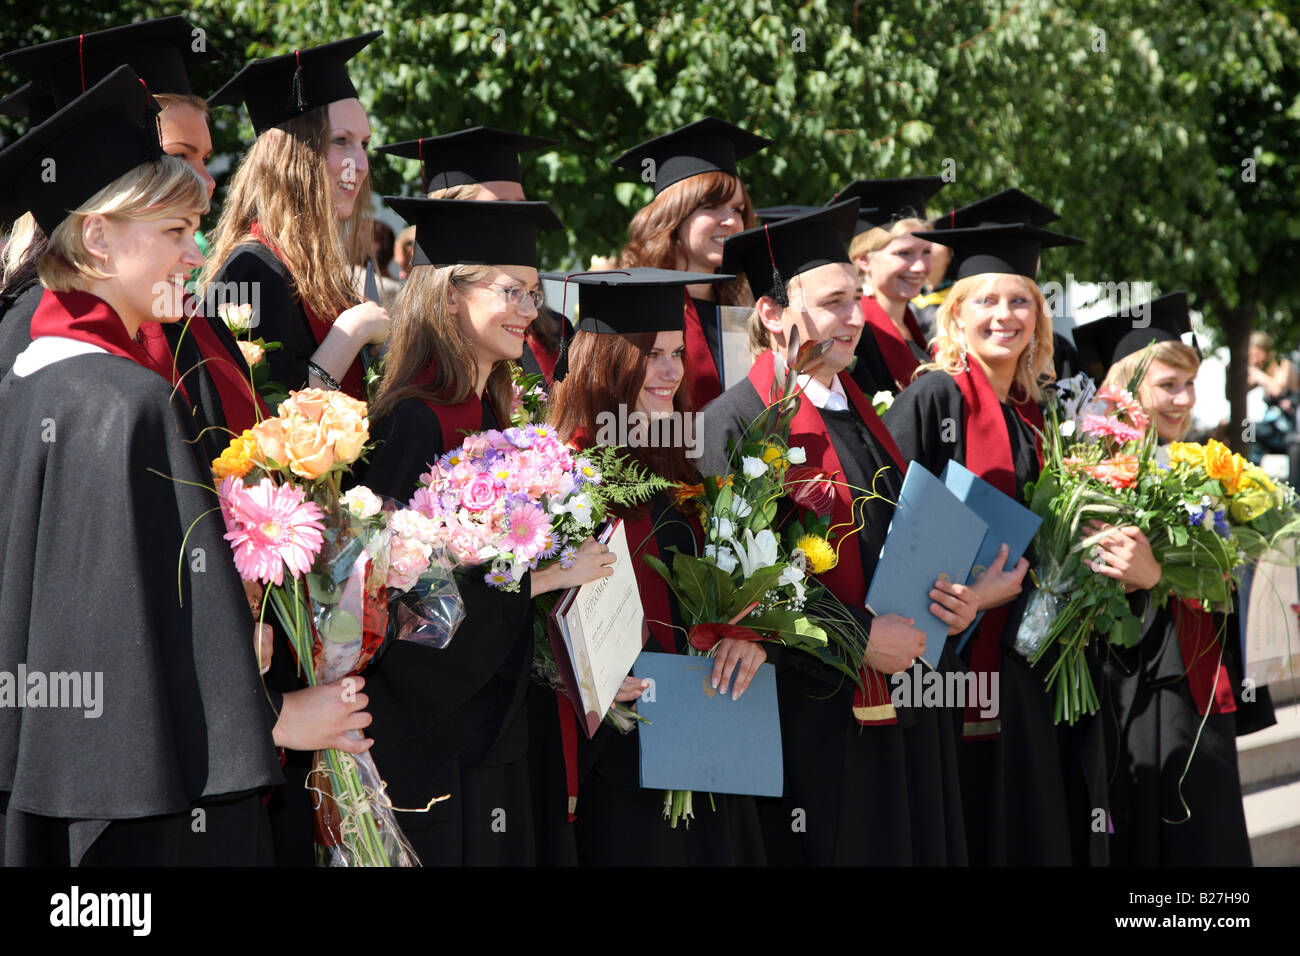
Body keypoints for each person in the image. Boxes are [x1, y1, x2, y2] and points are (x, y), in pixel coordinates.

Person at [0, 66, 288, 866]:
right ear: (96, 237)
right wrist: (270, 708)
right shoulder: (125, 401)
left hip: (55, 808)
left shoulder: (31, 379)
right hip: (144, 819)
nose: (196, 256)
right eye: (175, 232)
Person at [702, 200, 979, 864]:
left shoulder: (862, 414)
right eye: (833, 304)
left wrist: (952, 602)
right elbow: (736, 589)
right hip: (811, 722)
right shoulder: (734, 422)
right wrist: (858, 636)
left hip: (905, 708)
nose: (855, 318)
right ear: (771, 314)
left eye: (856, 300)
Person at [354, 196, 615, 865]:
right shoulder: (414, 422)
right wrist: (545, 578)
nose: (531, 310)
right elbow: (400, 610)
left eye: (534, 291)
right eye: (512, 291)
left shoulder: (490, 416)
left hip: (494, 727)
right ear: (448, 299)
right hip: (431, 741)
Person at [884, 220, 1112, 866]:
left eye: (1020, 301)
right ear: (957, 312)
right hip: (947, 683)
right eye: (986, 300)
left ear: (1039, 317)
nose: (1004, 315)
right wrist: (974, 596)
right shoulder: (932, 400)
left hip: (1030, 675)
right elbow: (887, 544)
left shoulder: (1037, 416)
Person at [544, 267, 768, 865]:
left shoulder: (686, 462)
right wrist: (588, 679)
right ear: (608, 362)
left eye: (677, 353)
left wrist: (747, 635)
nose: (671, 371)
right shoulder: (561, 474)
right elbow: (535, 614)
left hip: (704, 730)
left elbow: (722, 584)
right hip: (621, 750)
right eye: (651, 356)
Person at [0, 17, 270, 454]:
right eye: (179, 157)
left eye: (204, 158)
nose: (204, 179)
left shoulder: (181, 308)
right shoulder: (33, 326)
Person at [1072, 292, 1274, 865]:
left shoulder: (1190, 463)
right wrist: (1151, 576)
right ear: (1126, 387)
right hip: (1131, 690)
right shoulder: (1095, 470)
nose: (1183, 400)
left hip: (1196, 679)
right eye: (1168, 385)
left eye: (1190, 385)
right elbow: (1086, 587)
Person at [202, 33, 388, 402]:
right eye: (341, 141)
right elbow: (256, 427)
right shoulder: (250, 271)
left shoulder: (324, 277)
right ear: (286, 155)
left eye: (364, 144)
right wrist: (349, 334)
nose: (362, 164)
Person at [376, 127, 564, 380]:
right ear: (450, 214)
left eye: (521, 207)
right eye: (498, 209)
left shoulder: (555, 331)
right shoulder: (400, 353)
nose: (515, 221)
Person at [613, 117, 770, 409]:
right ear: (673, 216)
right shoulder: (635, 309)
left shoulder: (744, 307)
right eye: (710, 206)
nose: (730, 221)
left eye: (737, 210)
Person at [829, 176, 945, 397]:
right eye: (904, 253)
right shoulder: (854, 332)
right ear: (863, 259)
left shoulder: (915, 329)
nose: (920, 266)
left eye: (926, 252)